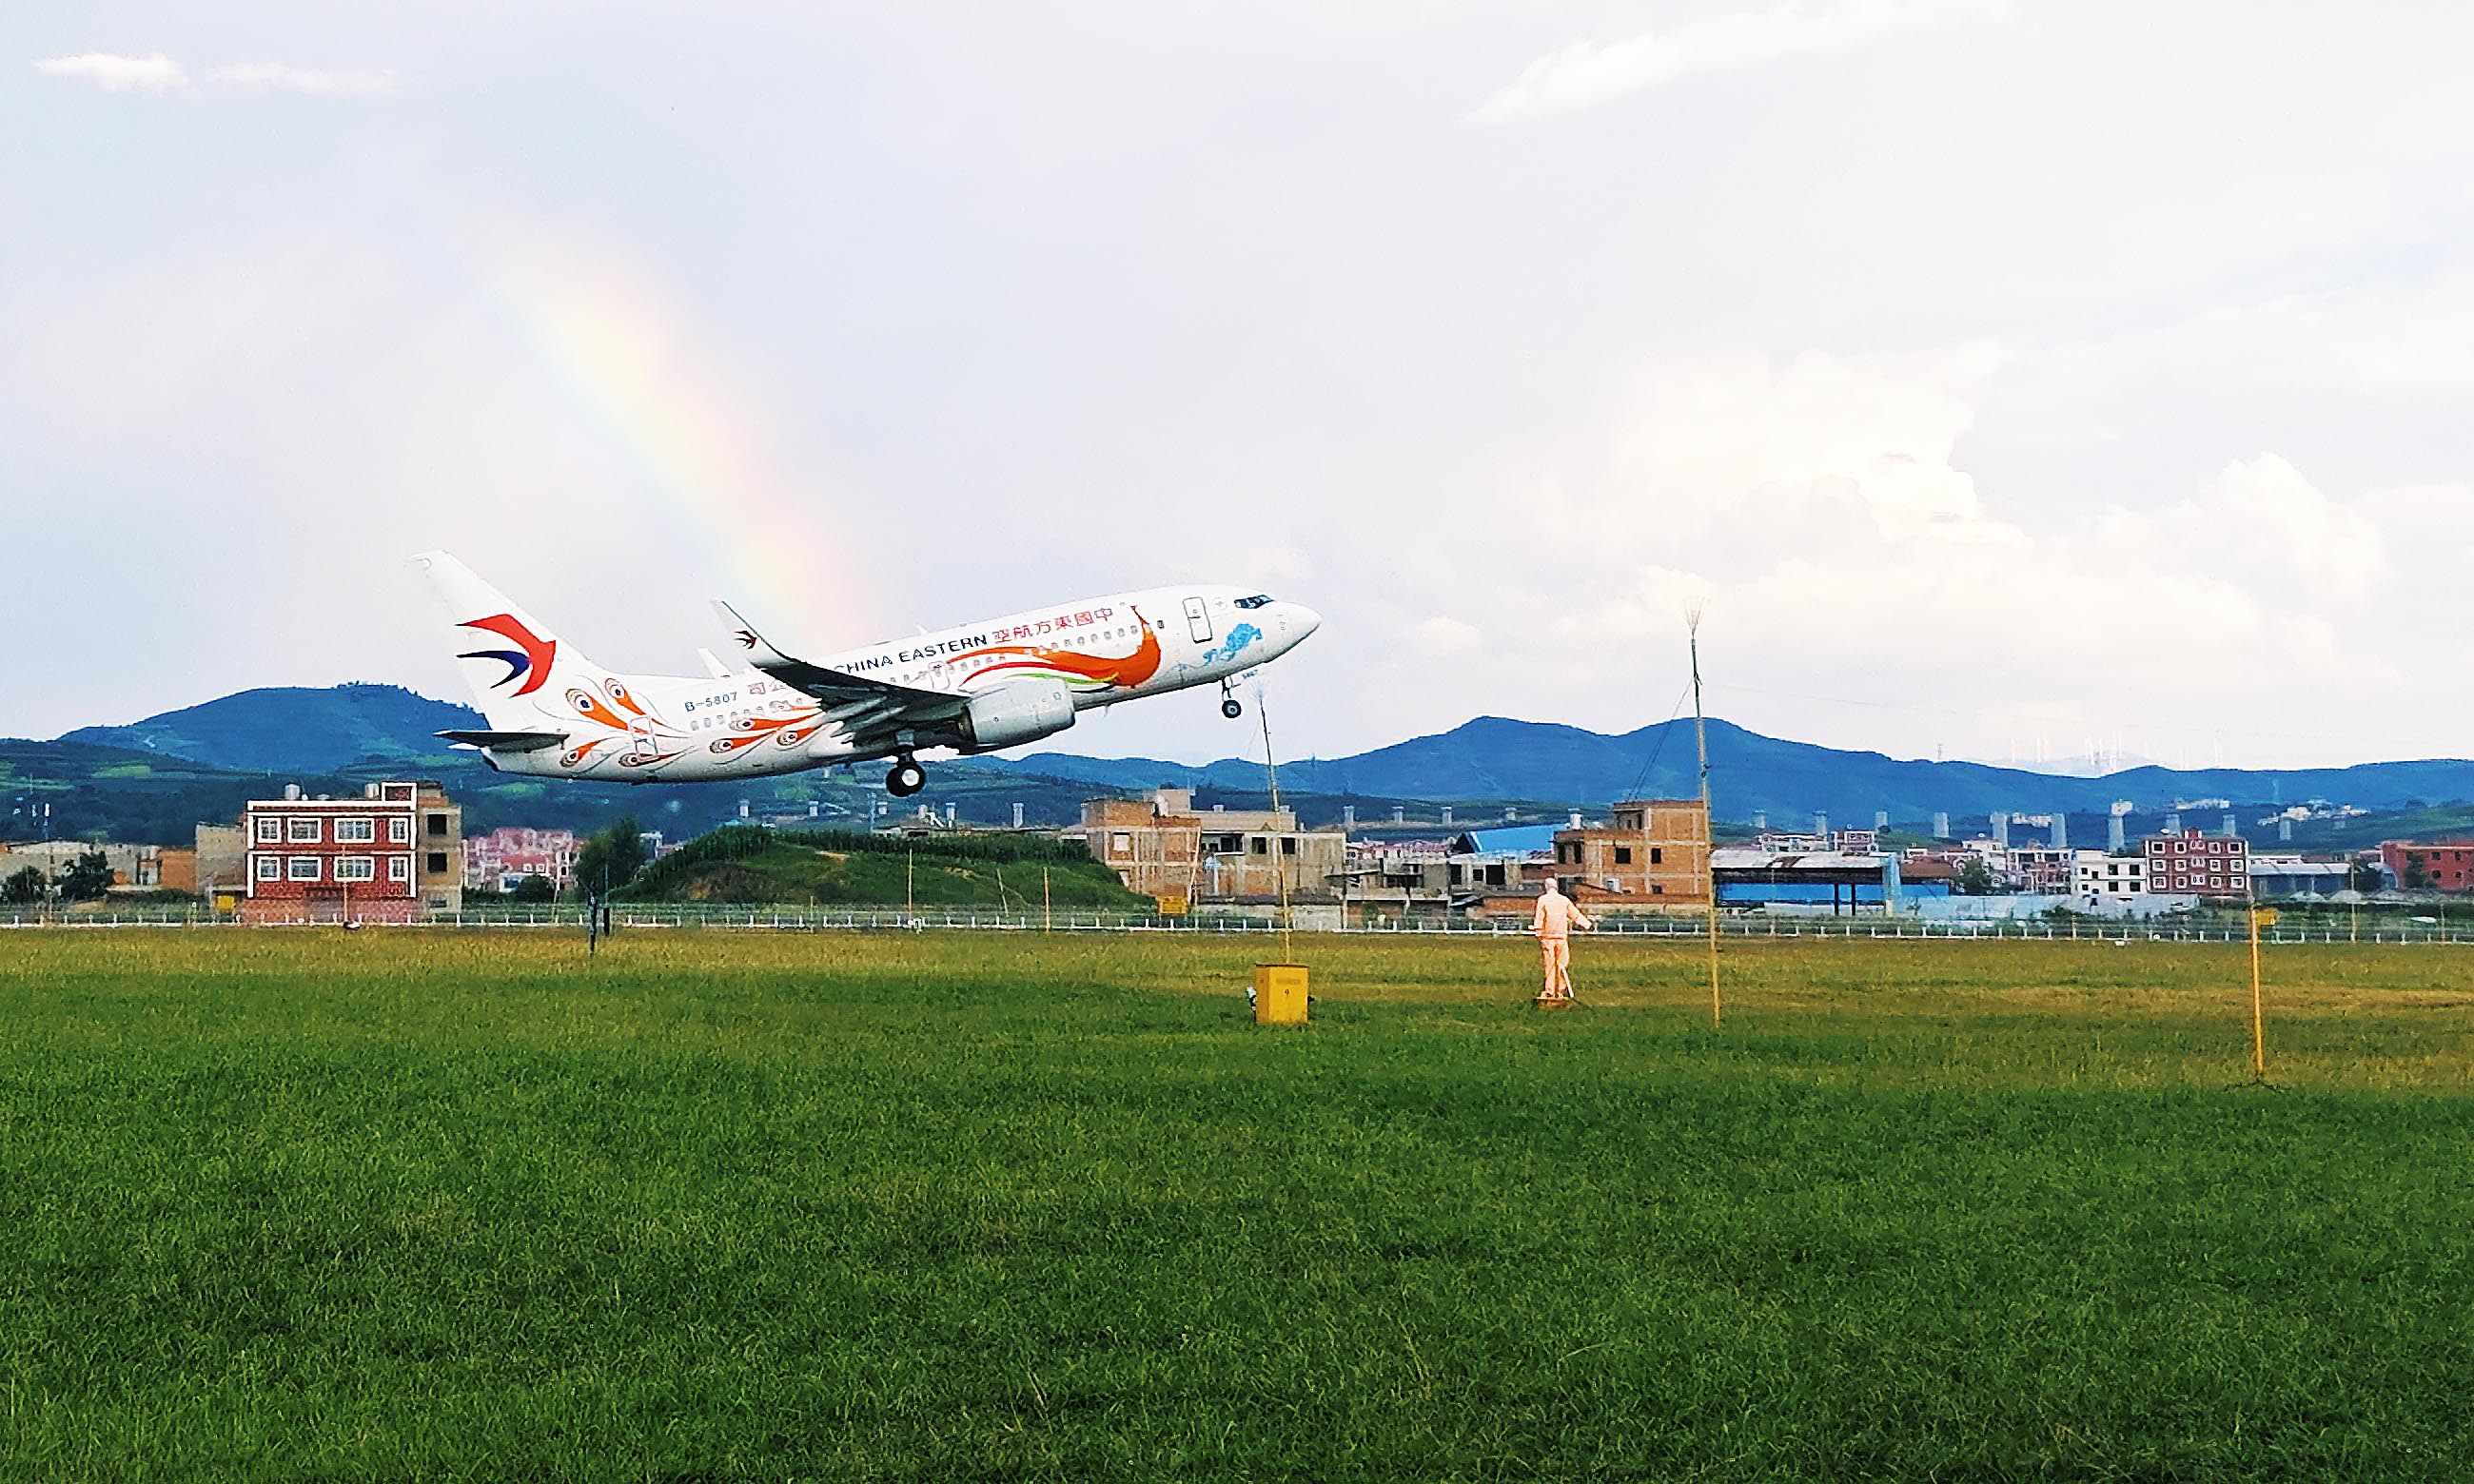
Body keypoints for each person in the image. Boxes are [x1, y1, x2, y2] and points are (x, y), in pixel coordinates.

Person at [1532, 878, 1594, 1001]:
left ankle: (1550, 991)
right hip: (1561, 936)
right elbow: (1575, 915)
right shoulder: (1564, 900)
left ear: (1546, 887)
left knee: (1549, 965)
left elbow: (1539, 918)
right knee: (1562, 964)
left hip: (1547, 937)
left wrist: (1538, 932)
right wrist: (1587, 925)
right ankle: (1560, 990)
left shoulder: (1542, 900)